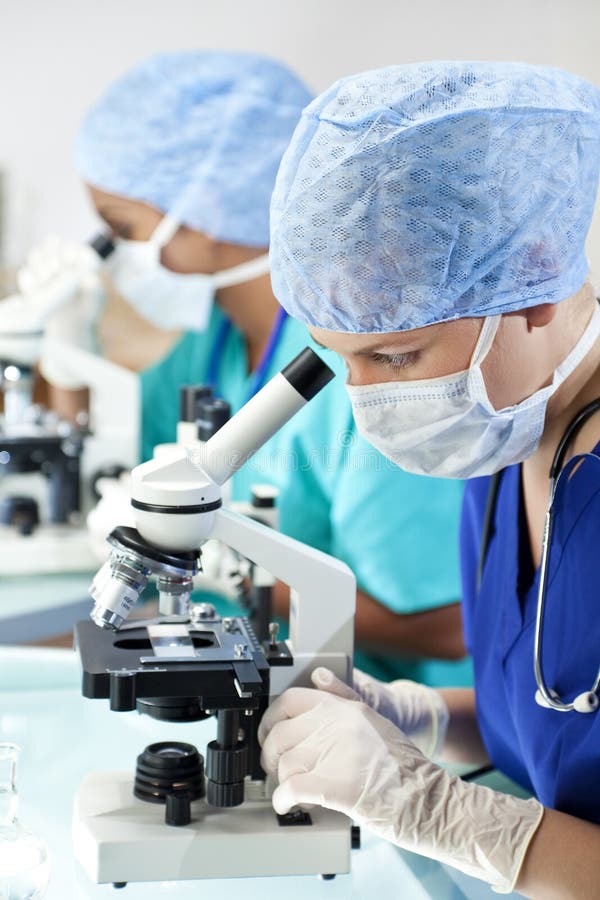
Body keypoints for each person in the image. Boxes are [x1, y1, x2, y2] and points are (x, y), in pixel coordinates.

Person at [259, 61, 600, 897]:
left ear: (536, 280)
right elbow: (552, 724)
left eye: (398, 353)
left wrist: (432, 810)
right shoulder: (502, 441)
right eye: (345, 361)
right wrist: (419, 722)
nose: (369, 399)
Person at [44, 50, 469, 684]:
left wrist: (230, 570)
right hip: (247, 657)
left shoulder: (366, 362)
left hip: (394, 714)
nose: (115, 255)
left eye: (120, 228)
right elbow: (117, 481)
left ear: (209, 208)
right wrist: (62, 349)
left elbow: (447, 627)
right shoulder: (213, 340)